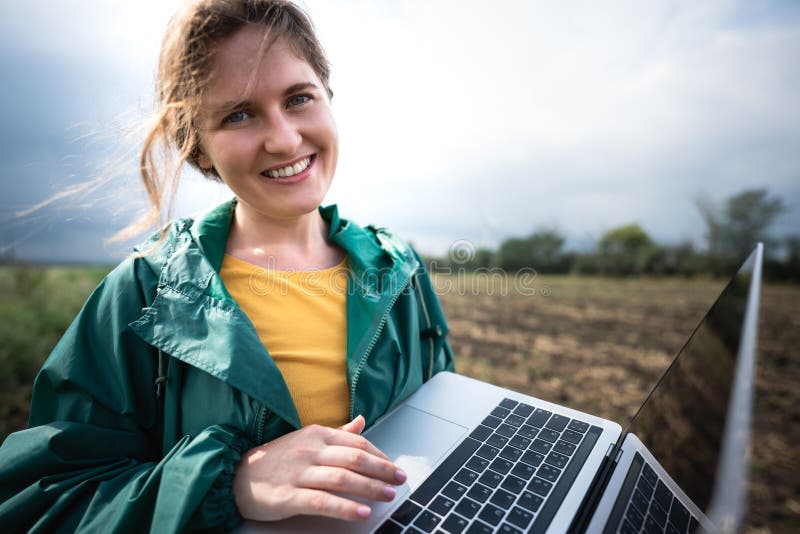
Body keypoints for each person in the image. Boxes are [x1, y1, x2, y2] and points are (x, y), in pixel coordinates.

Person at [0, 1, 454, 531]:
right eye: (239, 114)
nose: (284, 138)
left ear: (328, 98)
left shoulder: (401, 271)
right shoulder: (145, 294)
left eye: (299, 98)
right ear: (200, 150)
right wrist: (228, 483)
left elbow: (443, 421)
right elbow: (46, 500)